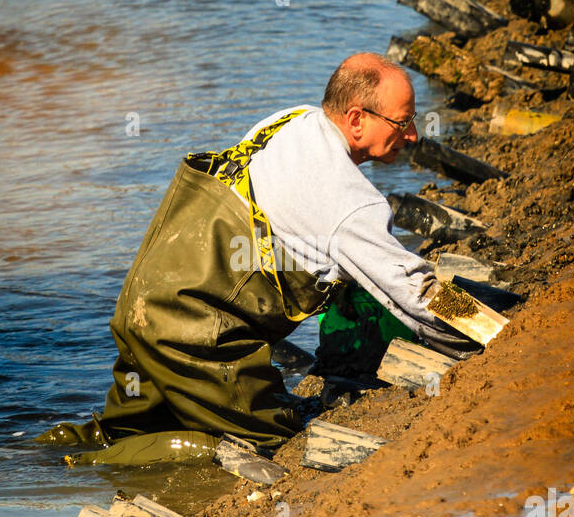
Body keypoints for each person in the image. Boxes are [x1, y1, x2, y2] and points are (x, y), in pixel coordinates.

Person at [36, 52, 477, 465]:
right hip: (195, 337)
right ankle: (80, 471)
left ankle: (40, 453)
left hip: (142, 305)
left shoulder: (290, 122)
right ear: (357, 119)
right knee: (264, 441)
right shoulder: (351, 205)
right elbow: (418, 293)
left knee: (122, 426)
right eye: (402, 122)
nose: (414, 135)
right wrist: (488, 331)